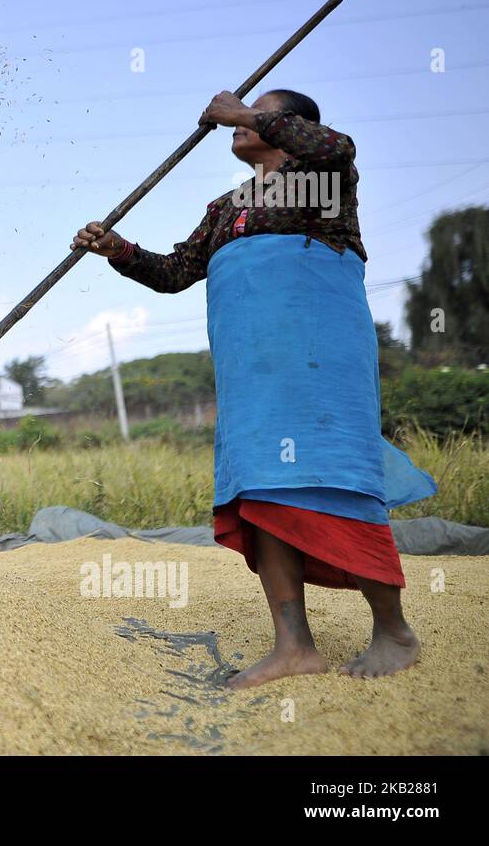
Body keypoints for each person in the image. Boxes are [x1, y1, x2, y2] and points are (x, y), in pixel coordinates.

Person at [71, 89, 436, 690]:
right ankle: (294, 644)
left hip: (317, 353)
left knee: (334, 472)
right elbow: (173, 273)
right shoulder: (226, 207)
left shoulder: (325, 179)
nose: (241, 121)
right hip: (250, 366)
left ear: (287, 124)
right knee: (261, 485)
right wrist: (117, 249)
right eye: (242, 113)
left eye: (259, 112)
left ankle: (393, 629)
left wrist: (239, 113)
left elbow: (338, 144)